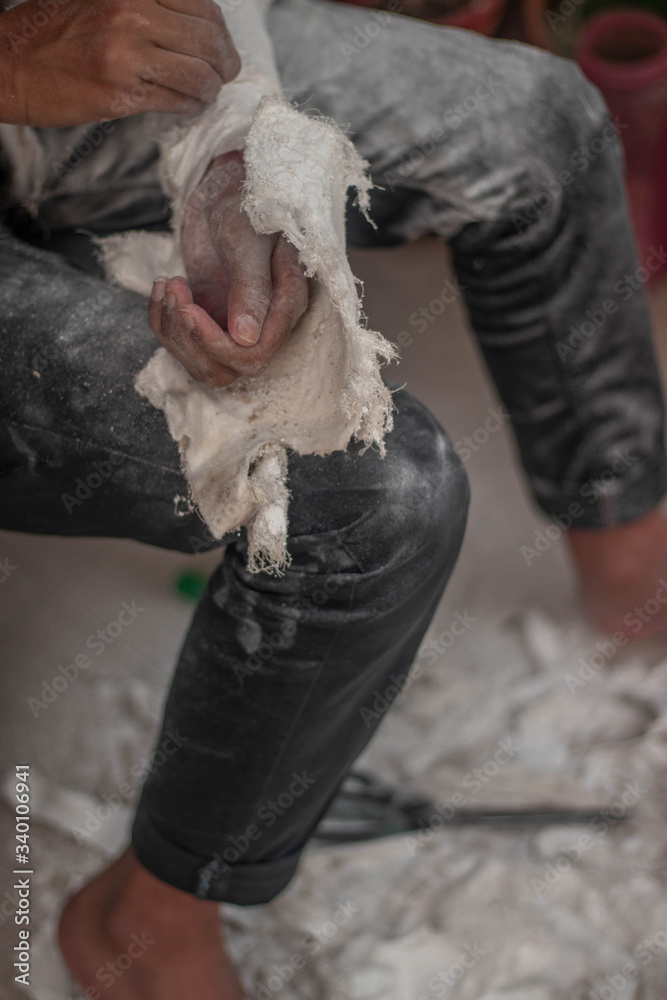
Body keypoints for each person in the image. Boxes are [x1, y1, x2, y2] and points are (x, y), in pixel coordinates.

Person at [1, 0, 667, 996]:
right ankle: (143, 921)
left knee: (538, 123)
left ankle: (631, 565)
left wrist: (251, 185)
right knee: (365, 491)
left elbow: (204, 25)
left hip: (63, 92)